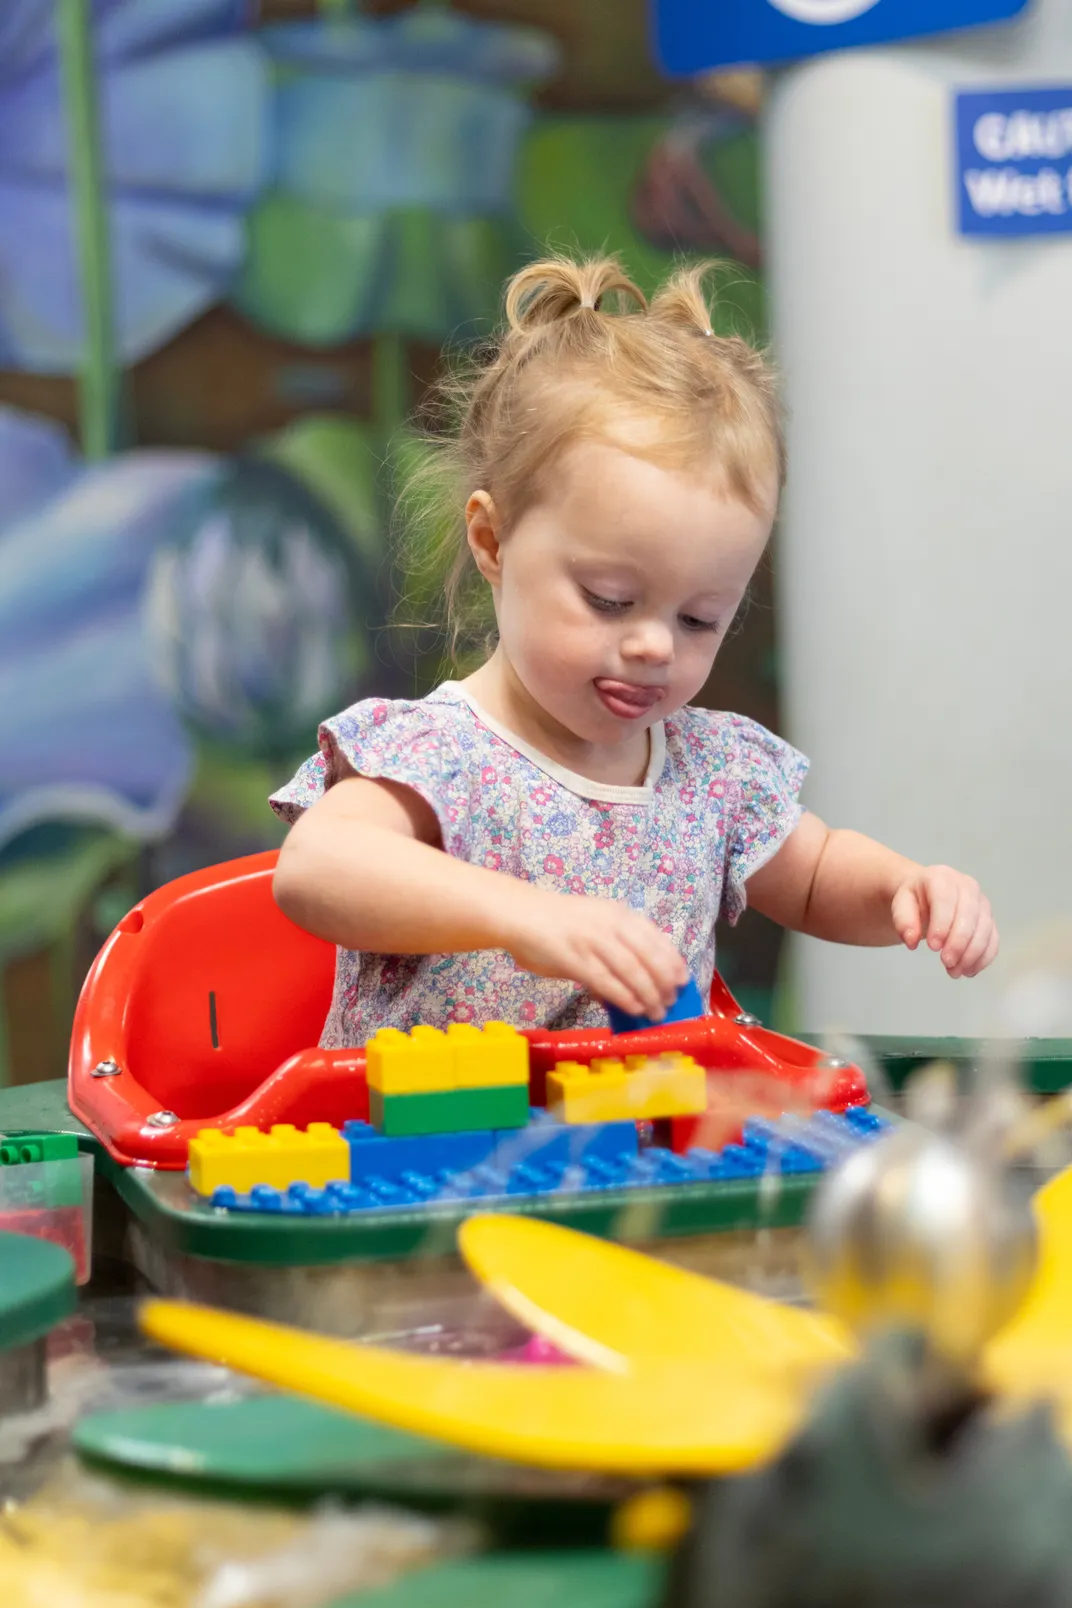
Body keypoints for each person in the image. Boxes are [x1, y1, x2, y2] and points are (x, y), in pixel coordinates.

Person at [270, 254, 997, 1049]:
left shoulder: (712, 772)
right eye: (609, 601)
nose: (654, 645)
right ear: (493, 539)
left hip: (644, 1160)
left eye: (701, 620)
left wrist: (909, 889)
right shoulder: (437, 757)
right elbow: (318, 868)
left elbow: (819, 879)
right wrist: (524, 917)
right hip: (440, 1157)